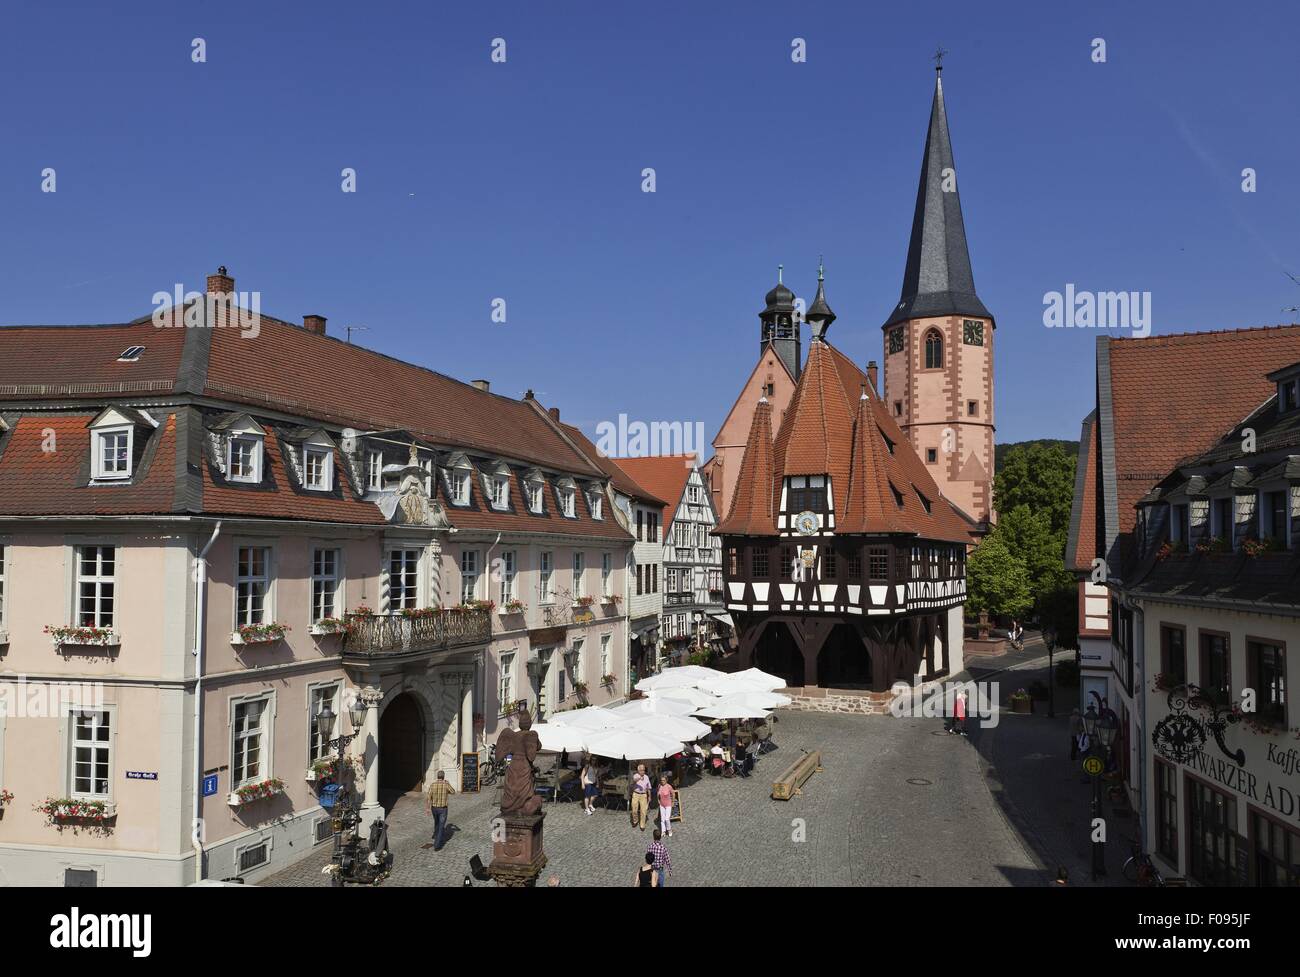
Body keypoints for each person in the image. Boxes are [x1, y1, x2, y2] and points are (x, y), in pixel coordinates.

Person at [425, 769, 455, 851]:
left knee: (437, 822)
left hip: (434, 808)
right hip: (443, 809)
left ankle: (436, 835)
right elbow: (453, 792)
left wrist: (427, 808)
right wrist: (448, 783)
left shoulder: (433, 785)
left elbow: (428, 798)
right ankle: (437, 845)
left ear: (437, 776)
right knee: (441, 826)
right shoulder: (446, 785)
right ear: (443, 777)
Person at [630, 763, 652, 831]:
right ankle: (635, 821)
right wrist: (639, 778)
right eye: (641, 770)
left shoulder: (646, 777)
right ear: (638, 770)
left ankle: (642, 825)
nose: (643, 771)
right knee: (634, 809)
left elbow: (648, 787)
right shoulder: (635, 776)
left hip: (643, 795)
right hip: (636, 794)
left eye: (644, 770)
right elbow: (633, 782)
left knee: (643, 810)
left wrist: (649, 796)